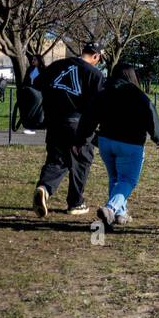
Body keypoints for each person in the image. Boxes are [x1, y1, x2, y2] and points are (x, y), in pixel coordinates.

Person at [76, 63, 159, 230]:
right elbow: (151, 115)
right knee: (128, 180)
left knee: (115, 179)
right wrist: (158, 138)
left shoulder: (103, 93)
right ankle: (110, 209)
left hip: (106, 142)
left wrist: (80, 139)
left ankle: (120, 214)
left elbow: (89, 118)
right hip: (130, 144)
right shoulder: (138, 95)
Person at [33, 43, 105, 217]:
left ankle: (44, 188)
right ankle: (75, 202)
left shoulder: (57, 65)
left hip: (54, 121)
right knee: (81, 161)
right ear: (96, 57)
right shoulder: (94, 74)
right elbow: (100, 104)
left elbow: (37, 84)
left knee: (56, 159)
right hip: (77, 123)